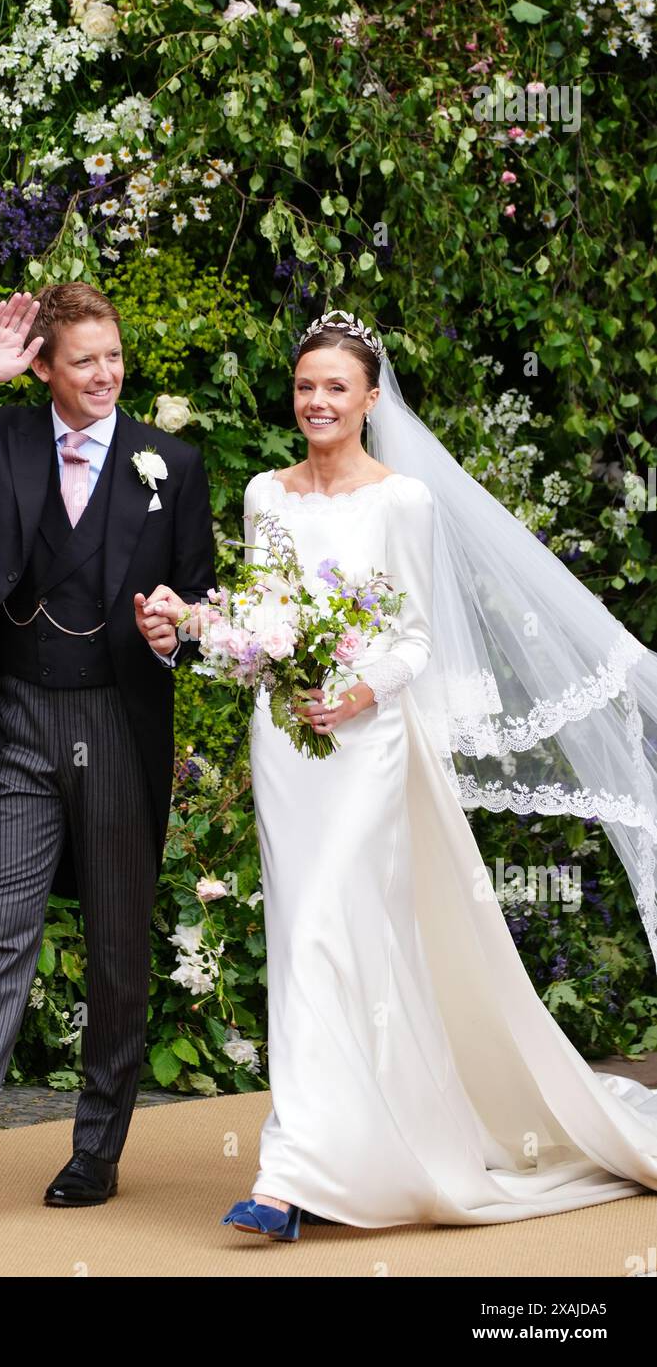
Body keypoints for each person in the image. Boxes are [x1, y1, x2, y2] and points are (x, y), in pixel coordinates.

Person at [158, 310, 657, 1241]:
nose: (317, 401)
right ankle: (337, 1150)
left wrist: (357, 690)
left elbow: (417, 637)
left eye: (335, 388)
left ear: (370, 399)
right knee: (304, 935)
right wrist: (199, 626)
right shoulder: (267, 493)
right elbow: (262, 617)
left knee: (329, 939)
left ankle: (286, 1176)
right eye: (306, 386)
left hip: (368, 741)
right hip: (286, 741)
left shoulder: (402, 501)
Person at [0, 284, 216, 1208]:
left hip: (116, 719)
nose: (105, 375)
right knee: (2, 926)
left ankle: (97, 1150)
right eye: (83, 360)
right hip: (20, 718)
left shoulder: (171, 463)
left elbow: (202, 599)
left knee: (115, 943)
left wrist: (176, 629)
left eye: (113, 356)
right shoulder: (7, 437)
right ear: (43, 368)